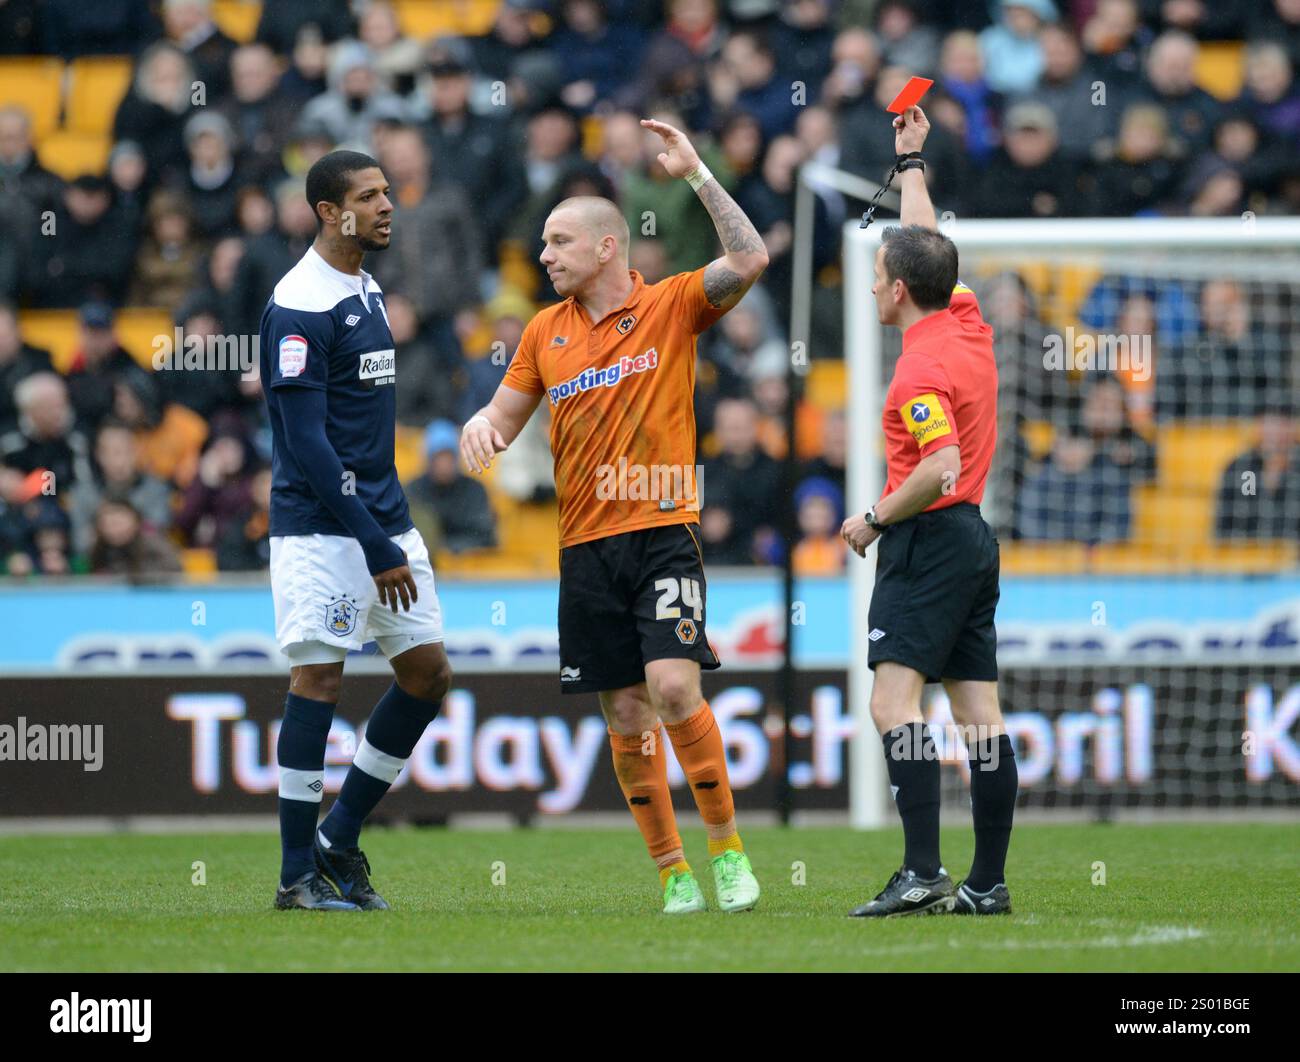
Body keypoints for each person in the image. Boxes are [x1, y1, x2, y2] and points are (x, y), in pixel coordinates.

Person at [460, 118, 769, 915]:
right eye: (542, 243)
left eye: (559, 241)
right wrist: (480, 428)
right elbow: (503, 415)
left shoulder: (671, 307)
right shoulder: (541, 333)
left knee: (673, 685)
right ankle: (672, 872)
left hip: (663, 534)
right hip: (584, 548)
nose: (544, 254)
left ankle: (728, 852)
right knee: (625, 709)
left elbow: (750, 258)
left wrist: (698, 172)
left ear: (606, 247)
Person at [260, 150, 452, 912]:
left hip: (384, 520)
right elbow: (305, 442)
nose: (386, 206)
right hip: (322, 530)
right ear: (328, 212)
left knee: (428, 675)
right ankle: (293, 875)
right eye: (368, 197)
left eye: (387, 192)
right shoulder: (298, 301)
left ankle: (338, 839)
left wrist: (385, 531)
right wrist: (371, 541)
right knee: (320, 680)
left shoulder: (366, 289)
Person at [840, 105, 1016, 918]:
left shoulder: (916, 376)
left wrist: (873, 518)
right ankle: (986, 884)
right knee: (979, 714)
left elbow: (938, 467)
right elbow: (927, 247)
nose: (872, 284)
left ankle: (920, 871)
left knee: (891, 704)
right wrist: (910, 163)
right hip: (975, 540)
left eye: (878, 277)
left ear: (899, 292)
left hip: (928, 540)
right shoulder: (965, 323)